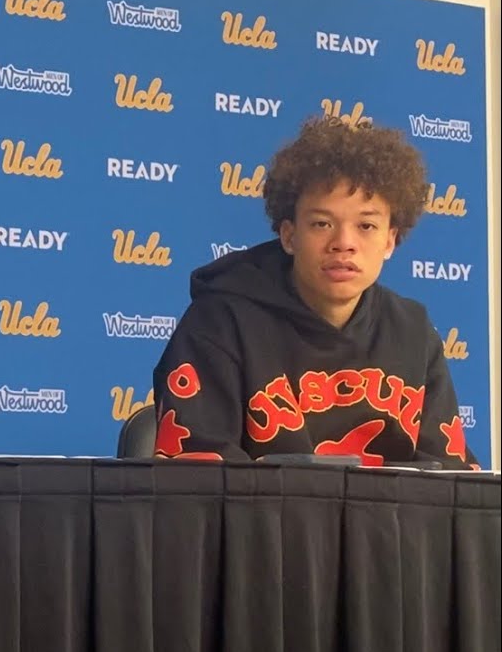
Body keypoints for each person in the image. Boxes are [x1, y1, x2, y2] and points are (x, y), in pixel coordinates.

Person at [151, 115, 479, 470]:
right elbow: (196, 477)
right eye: (322, 223)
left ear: (390, 240)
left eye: (366, 225)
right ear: (289, 236)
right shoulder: (218, 324)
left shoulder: (414, 332)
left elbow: (448, 479)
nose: (344, 243)